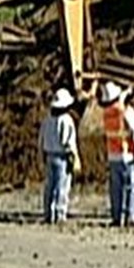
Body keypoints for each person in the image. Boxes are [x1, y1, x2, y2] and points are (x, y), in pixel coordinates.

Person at [99, 81, 134, 227]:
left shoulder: (106, 114)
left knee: (116, 189)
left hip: (112, 155)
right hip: (127, 154)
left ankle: (117, 217)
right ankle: (130, 216)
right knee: (132, 186)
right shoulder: (126, 112)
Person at [38, 87, 80, 223]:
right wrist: (74, 157)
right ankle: (59, 213)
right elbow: (68, 141)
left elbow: (41, 139)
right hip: (62, 157)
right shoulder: (66, 120)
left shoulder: (47, 120)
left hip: (49, 155)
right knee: (61, 186)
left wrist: (41, 155)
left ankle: (48, 213)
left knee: (49, 186)